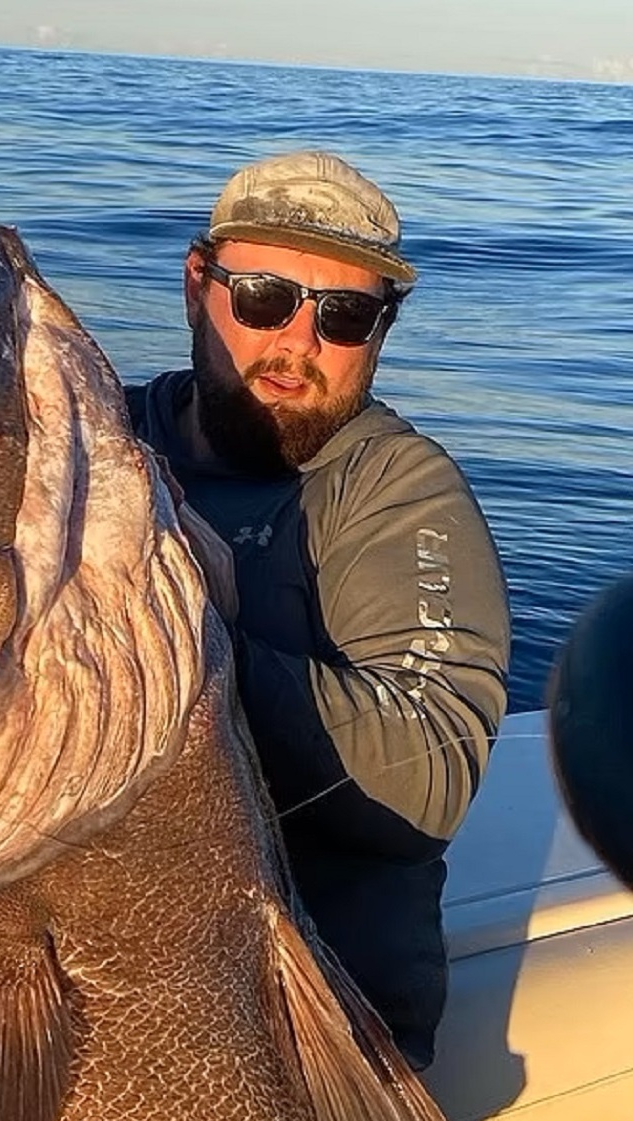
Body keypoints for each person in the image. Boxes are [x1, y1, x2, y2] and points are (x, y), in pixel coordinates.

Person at [126, 150, 511, 1070]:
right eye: (263, 297)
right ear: (197, 284)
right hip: (71, 984)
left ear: (384, 327)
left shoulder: (400, 494)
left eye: (344, 315)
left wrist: (190, 631)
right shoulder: (102, 438)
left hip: (303, 1040)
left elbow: (423, 784)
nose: (297, 341)